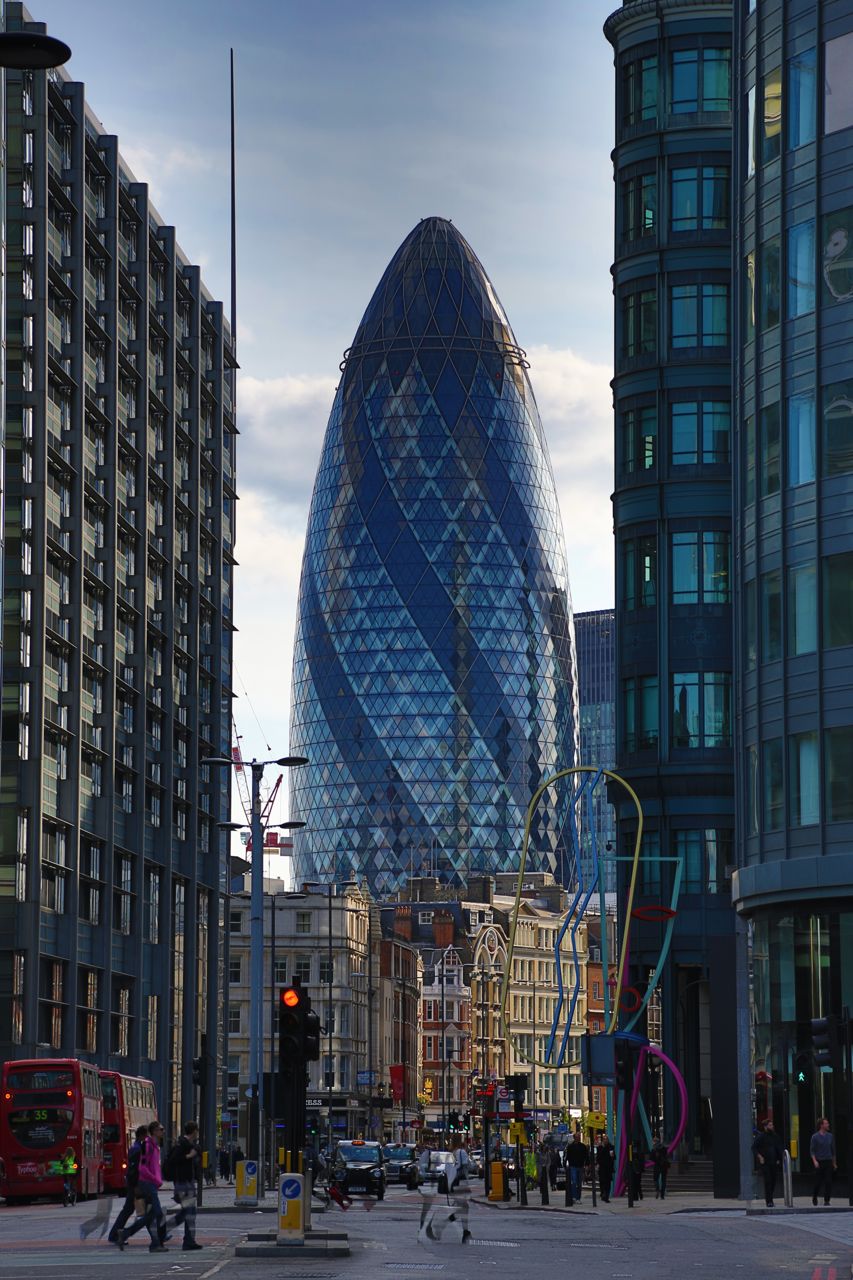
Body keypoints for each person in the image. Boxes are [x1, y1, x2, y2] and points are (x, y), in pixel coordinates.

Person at [118, 1120, 169, 1252]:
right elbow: (143, 1168)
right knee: (157, 1213)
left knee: (151, 1215)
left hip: (150, 1183)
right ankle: (156, 1242)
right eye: (161, 1129)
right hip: (147, 1183)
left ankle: (154, 1242)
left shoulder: (154, 1146)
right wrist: (156, 1180)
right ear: (154, 1132)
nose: (163, 1132)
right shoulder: (148, 1146)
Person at [108, 1124, 149, 1244]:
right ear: (142, 1136)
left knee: (130, 1210)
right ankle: (116, 1234)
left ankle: (114, 1234)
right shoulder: (137, 1149)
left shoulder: (136, 1147)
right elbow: (134, 1170)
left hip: (134, 1184)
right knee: (145, 1211)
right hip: (135, 1185)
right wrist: (136, 1186)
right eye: (146, 1135)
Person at [169, 1121, 203, 1251]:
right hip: (183, 1183)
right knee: (190, 1212)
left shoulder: (189, 1144)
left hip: (187, 1182)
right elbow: (174, 1160)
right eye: (197, 1130)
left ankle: (163, 1231)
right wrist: (189, 1156)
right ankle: (188, 1241)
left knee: (186, 1213)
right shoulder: (182, 1144)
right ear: (194, 1131)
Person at [444, 1135, 472, 1243]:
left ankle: (466, 1232)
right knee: (464, 1208)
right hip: (461, 1182)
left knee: (464, 1208)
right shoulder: (462, 1152)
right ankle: (442, 1224)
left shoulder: (450, 1155)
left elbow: (447, 1170)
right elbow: (466, 1166)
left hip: (452, 1183)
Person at [752, 1120, 783, 1208]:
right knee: (768, 1181)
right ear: (765, 1127)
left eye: (772, 1125)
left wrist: (779, 1159)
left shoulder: (775, 1136)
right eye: (770, 1125)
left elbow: (779, 1148)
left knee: (773, 1181)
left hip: (774, 1162)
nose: (772, 1126)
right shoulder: (761, 1137)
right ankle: (769, 1201)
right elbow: (754, 1148)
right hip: (765, 1163)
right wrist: (759, 1157)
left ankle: (770, 1197)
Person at [810, 1117, 836, 1206]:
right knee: (818, 1182)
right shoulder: (815, 1137)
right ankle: (814, 1196)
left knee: (828, 1181)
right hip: (819, 1162)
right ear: (821, 1125)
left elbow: (833, 1151)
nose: (828, 1125)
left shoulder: (830, 1136)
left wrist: (834, 1163)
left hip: (828, 1161)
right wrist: (815, 1161)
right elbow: (812, 1151)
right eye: (826, 1123)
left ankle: (827, 1200)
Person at [565, 1132, 588, 1203]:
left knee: (579, 1183)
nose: (578, 1138)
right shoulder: (570, 1146)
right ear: (574, 1138)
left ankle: (578, 1198)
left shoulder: (583, 1146)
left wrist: (587, 1165)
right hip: (573, 1166)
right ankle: (574, 1197)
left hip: (580, 1166)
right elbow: (567, 1156)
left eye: (579, 1137)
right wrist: (566, 1164)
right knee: (574, 1182)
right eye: (577, 1137)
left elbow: (586, 1156)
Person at [651, 1134, 672, 1201]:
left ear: (654, 1141)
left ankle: (657, 1189)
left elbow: (652, 1158)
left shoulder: (654, 1148)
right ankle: (662, 1195)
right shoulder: (664, 1147)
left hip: (657, 1165)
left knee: (655, 1179)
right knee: (663, 1180)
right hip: (664, 1166)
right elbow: (666, 1155)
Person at [596, 1133, 615, 1203]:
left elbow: (613, 1157)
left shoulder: (611, 1147)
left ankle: (606, 1196)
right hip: (602, 1167)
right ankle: (603, 1193)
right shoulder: (600, 1147)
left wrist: (612, 1155)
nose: (605, 1140)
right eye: (604, 1139)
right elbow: (598, 1157)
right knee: (602, 1182)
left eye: (606, 1139)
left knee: (608, 1183)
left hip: (609, 1167)